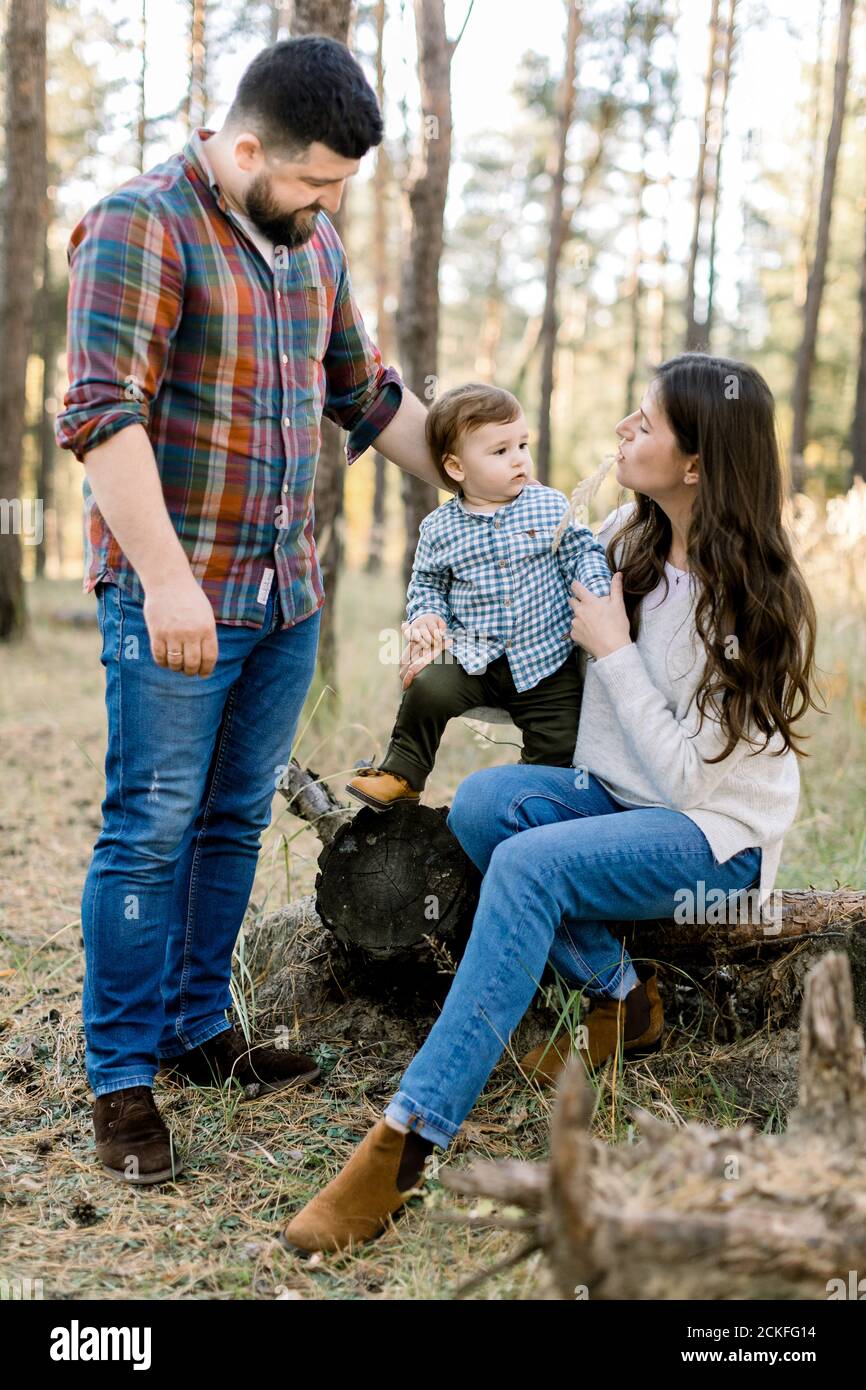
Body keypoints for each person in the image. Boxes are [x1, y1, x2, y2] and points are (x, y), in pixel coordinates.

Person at [280, 352, 820, 1255]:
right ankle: (619, 997)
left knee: (528, 864)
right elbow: (532, 667)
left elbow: (690, 780)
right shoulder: (619, 539)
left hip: (713, 839)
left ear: (697, 463)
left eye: (644, 424)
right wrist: (442, 650)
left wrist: (613, 649)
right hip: (613, 798)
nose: (622, 432)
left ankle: (408, 1137)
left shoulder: (756, 602)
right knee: (487, 804)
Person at [55, 36, 452, 1185]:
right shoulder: (139, 225)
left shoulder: (309, 240)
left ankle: (193, 1030)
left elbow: (366, 396)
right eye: (316, 181)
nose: (330, 204)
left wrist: (488, 478)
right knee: (149, 827)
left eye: (341, 187)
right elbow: (96, 412)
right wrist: (169, 579)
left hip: (285, 597)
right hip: (175, 597)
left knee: (231, 820)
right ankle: (121, 1080)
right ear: (242, 149)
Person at [345, 382, 612, 811]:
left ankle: (530, 796)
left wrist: (596, 591)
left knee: (560, 739)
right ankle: (403, 772)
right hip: (475, 656)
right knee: (429, 685)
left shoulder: (547, 505)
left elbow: (581, 550)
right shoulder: (439, 528)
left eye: (522, 444)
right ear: (455, 467)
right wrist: (427, 616)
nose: (519, 458)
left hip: (545, 658)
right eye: (500, 451)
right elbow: (428, 584)